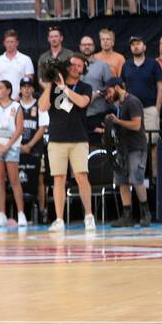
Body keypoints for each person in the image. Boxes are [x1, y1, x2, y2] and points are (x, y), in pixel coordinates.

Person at [38, 53, 96, 233]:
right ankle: (59, 219)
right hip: (56, 138)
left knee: (81, 176)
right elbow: (42, 107)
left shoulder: (85, 86)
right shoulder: (53, 86)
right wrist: (50, 84)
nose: (75, 68)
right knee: (59, 179)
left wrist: (65, 88)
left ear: (83, 69)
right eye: (72, 64)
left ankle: (88, 216)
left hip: (79, 138)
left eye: (79, 66)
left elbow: (82, 102)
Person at [103, 77, 151, 227]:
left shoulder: (132, 102)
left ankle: (145, 212)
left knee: (136, 180)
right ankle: (127, 216)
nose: (107, 96)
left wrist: (117, 121)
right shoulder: (120, 105)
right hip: (122, 149)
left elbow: (136, 125)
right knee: (122, 182)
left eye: (109, 91)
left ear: (117, 87)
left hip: (136, 147)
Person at [0, 78, 27, 229]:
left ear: (9, 90)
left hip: (12, 144)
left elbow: (19, 129)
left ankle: (21, 213)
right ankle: (2, 214)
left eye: (1, 88)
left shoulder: (16, 107)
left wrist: (7, 146)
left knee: (14, 179)